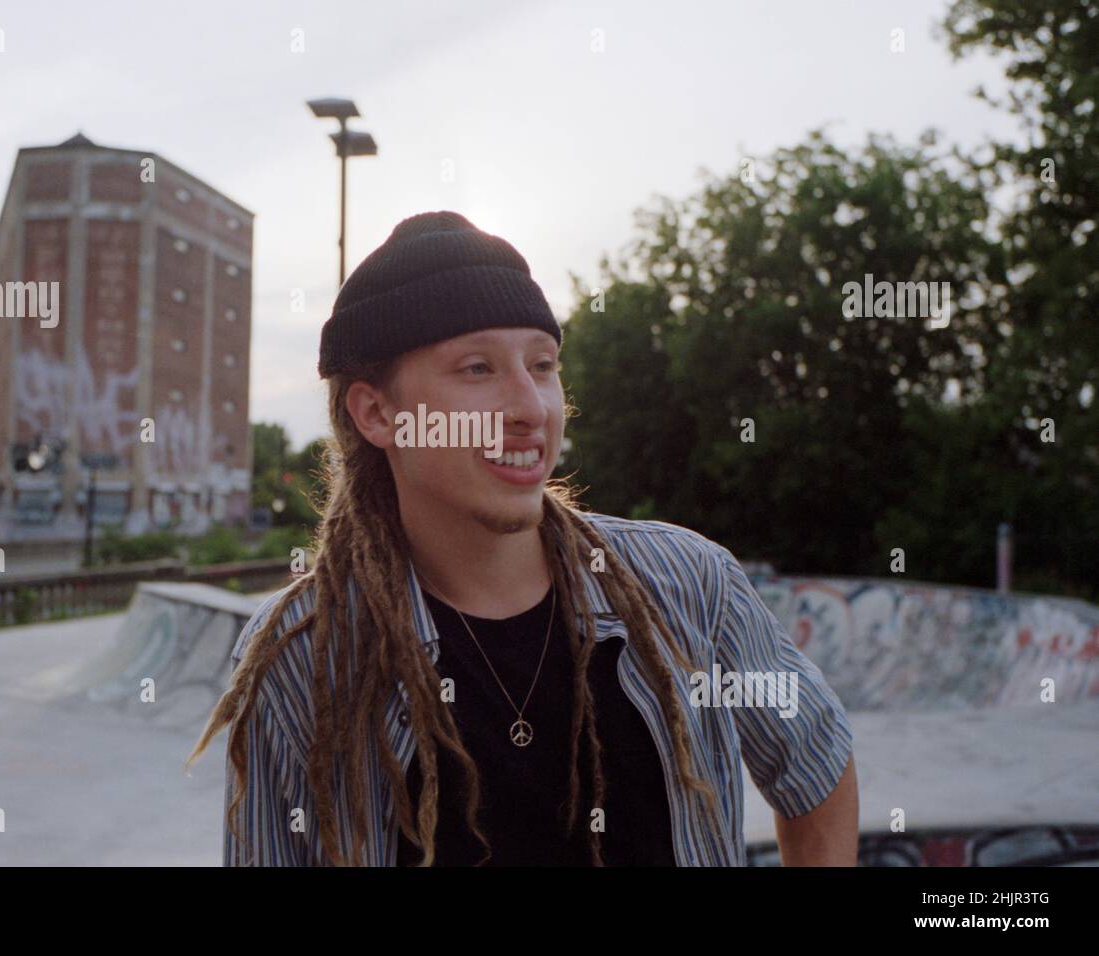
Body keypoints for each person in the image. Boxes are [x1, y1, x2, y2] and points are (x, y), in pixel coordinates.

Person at [186, 210, 857, 866]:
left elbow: (818, 762)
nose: (531, 409)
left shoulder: (689, 584)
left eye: (542, 366)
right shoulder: (304, 656)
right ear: (377, 412)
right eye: (477, 369)